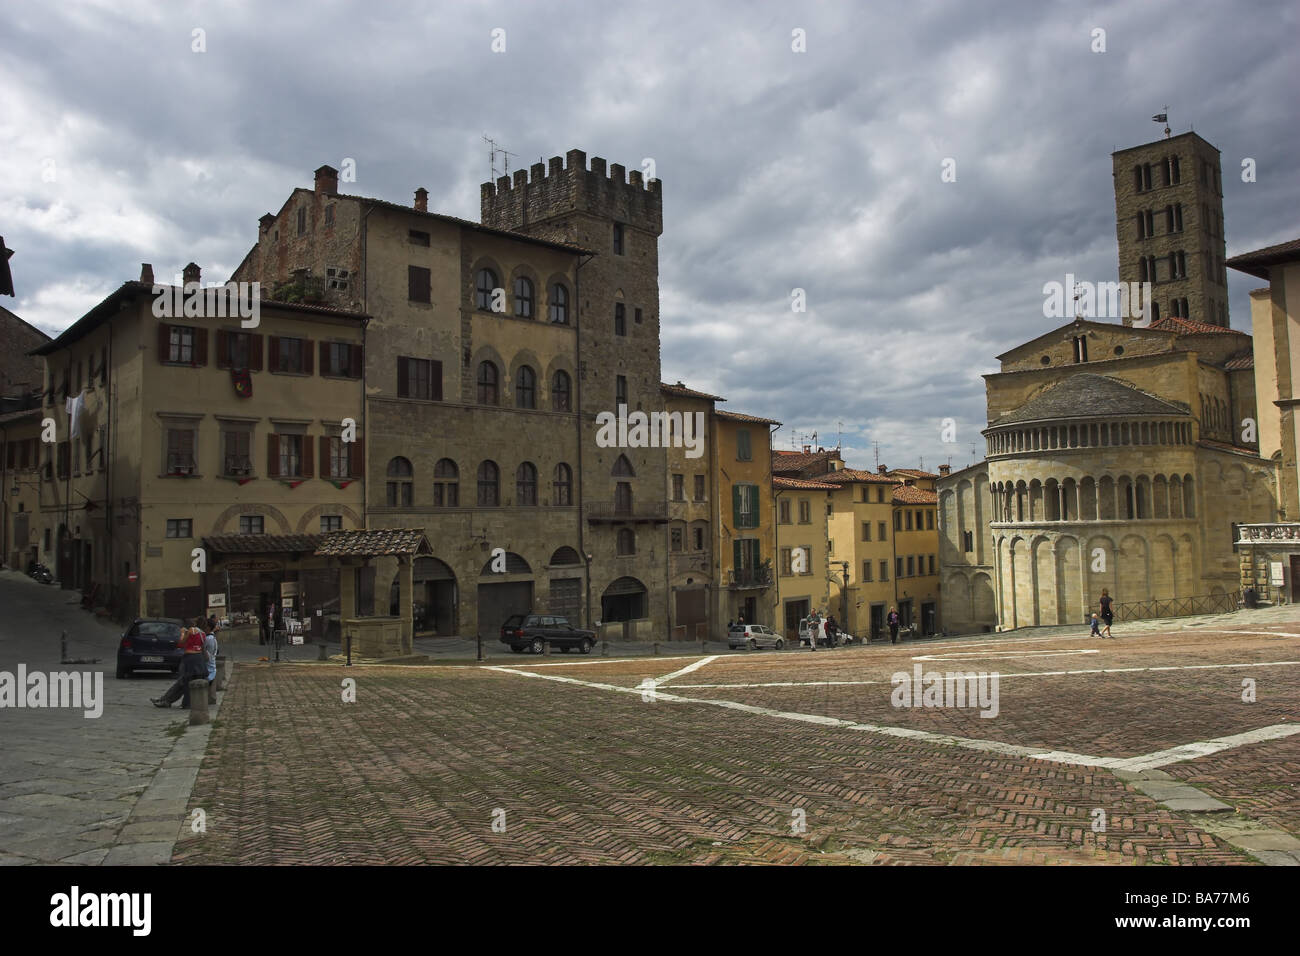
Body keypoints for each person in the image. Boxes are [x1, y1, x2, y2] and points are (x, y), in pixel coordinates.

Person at [152, 618, 208, 708]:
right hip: (199, 659)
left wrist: (182, 633)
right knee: (188, 681)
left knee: (184, 681)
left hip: (190, 658)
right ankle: (168, 700)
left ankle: (179, 702)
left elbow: (181, 643)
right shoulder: (203, 633)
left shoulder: (191, 630)